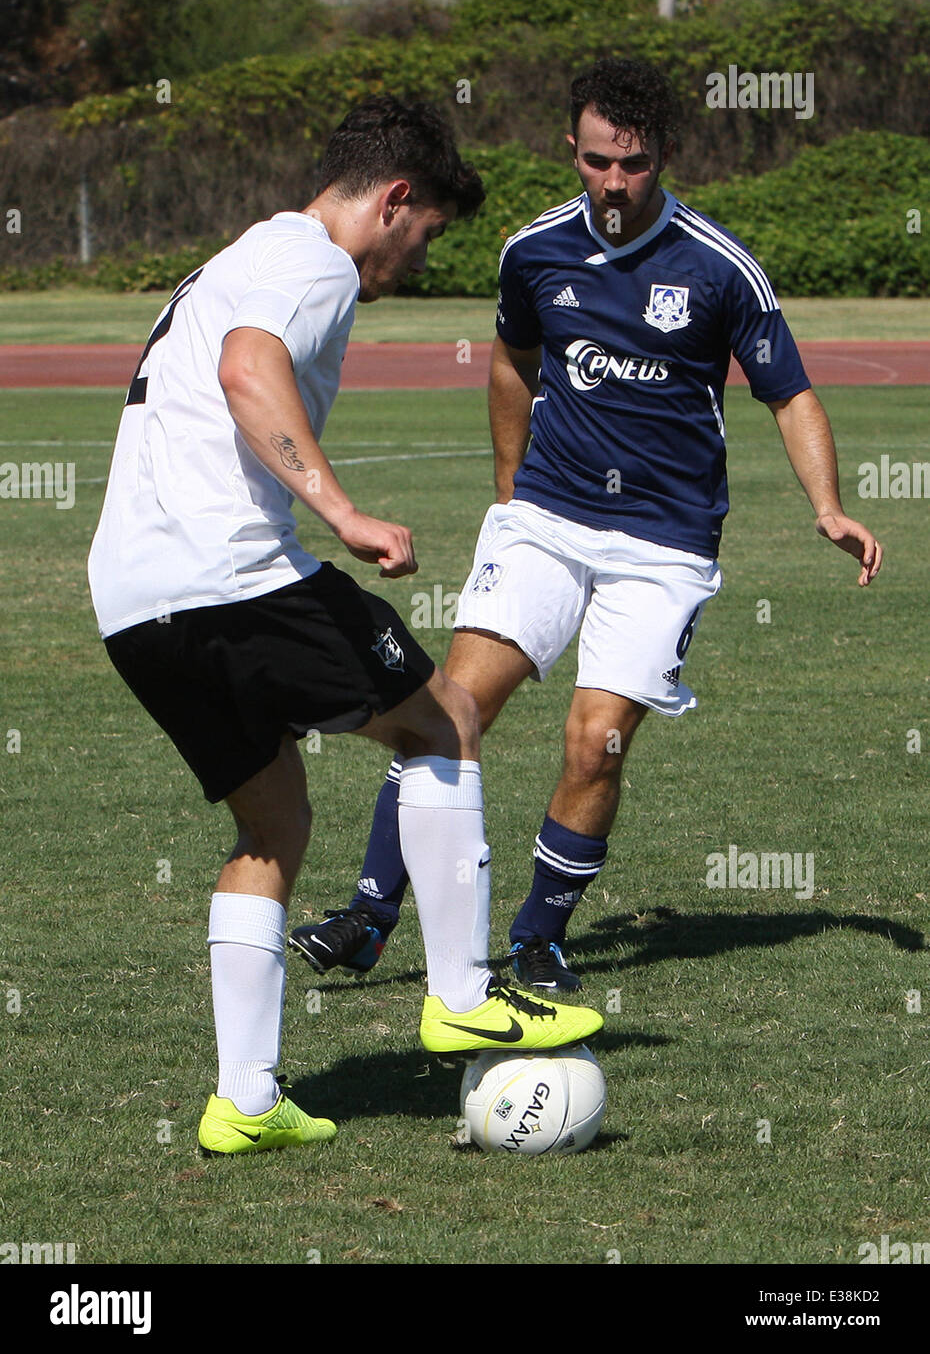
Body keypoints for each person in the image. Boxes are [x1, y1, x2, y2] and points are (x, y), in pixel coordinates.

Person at [290, 61, 883, 993]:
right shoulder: (533, 253)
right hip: (549, 518)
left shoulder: (720, 268)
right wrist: (507, 491)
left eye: (634, 164)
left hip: (666, 541)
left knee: (594, 739)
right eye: (599, 160)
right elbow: (511, 363)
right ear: (573, 149)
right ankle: (369, 916)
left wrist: (827, 506)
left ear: (665, 158)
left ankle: (538, 937)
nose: (614, 181)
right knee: (448, 709)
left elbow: (789, 393)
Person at [87, 96, 604, 1156]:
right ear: (396, 198)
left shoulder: (240, 255)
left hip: (133, 604)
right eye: (426, 236)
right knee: (444, 723)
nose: (416, 259)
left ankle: (244, 1102)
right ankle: (461, 992)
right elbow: (246, 371)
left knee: (272, 826)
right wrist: (343, 510)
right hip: (231, 575)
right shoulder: (312, 259)